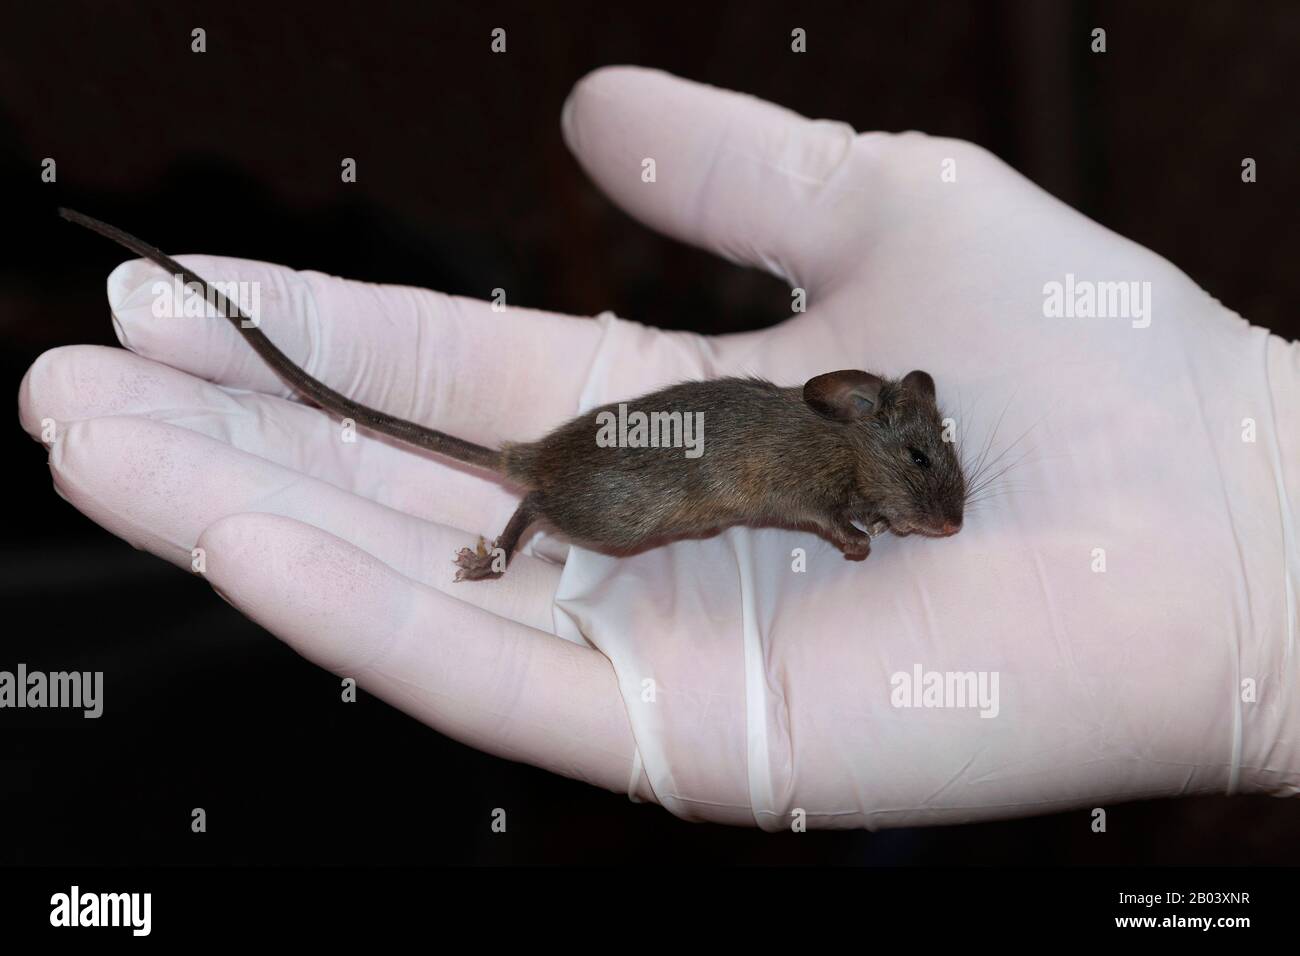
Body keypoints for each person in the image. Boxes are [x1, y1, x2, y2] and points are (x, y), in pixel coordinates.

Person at [18, 66, 1299, 829]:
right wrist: (848, 530)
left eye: (931, 480)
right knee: (606, 514)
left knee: (578, 490)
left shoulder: (862, 431)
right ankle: (521, 522)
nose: (934, 503)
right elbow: (799, 499)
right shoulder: (828, 459)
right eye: (923, 486)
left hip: (626, 455)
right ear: (870, 431)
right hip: (632, 476)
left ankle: (518, 519)